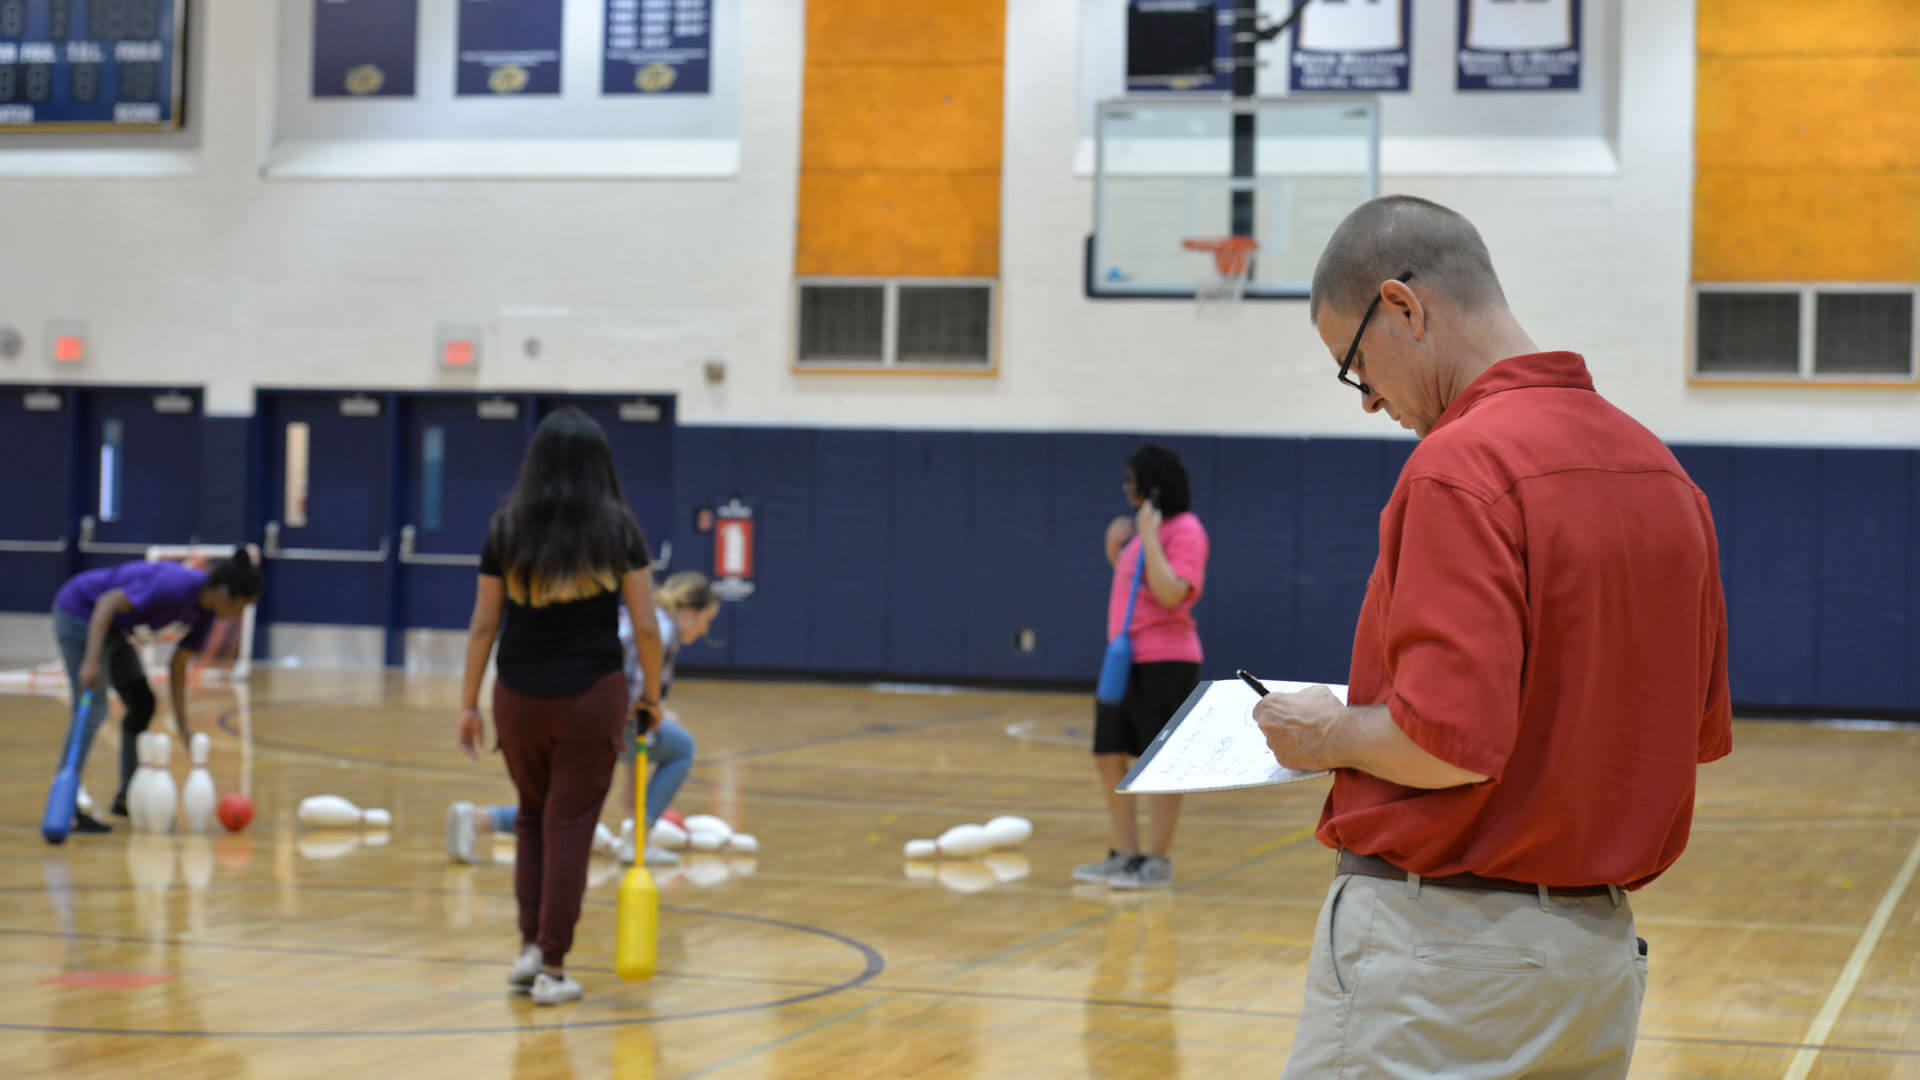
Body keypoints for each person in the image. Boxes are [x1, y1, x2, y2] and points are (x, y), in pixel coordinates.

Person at [1256, 194, 1731, 1078]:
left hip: (1442, 969)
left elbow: (1448, 743)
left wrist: (1325, 733)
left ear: (1403, 305)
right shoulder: (1664, 475)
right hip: (1594, 964)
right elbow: (1690, 738)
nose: (1367, 402)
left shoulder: (1459, 466)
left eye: (1355, 365)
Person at [455, 407, 664, 1007]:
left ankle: (529, 949)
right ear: (600, 465)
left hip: (517, 697)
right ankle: (552, 965)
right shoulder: (618, 529)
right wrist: (652, 695)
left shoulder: (506, 528)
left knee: (531, 817)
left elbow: (483, 624)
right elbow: (646, 626)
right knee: (569, 823)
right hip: (590, 697)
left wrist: (468, 704)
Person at [448, 571, 720, 869]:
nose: (704, 630)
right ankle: (639, 841)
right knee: (681, 748)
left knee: (567, 807)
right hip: (595, 713)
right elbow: (637, 702)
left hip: (561, 701)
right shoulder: (663, 631)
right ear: (690, 613)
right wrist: (641, 755)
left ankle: (476, 820)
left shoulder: (638, 616)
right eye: (706, 620)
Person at [1073, 445, 1209, 891]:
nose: (1125, 489)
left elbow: (1171, 594)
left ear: (1151, 488)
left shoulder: (1185, 530)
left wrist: (1148, 536)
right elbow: (1144, 585)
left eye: (1131, 481)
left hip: (1166, 661)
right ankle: (1128, 855)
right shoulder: (1146, 531)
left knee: (1161, 764)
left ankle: (1156, 861)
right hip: (1124, 659)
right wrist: (1118, 550)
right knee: (1108, 754)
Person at [50, 548, 264, 830]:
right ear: (225, 592)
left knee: (142, 702)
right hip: (80, 613)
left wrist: (184, 729)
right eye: (240, 606)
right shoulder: (174, 586)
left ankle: (127, 797)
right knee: (93, 710)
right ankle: (68, 805)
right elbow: (107, 602)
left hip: (113, 632)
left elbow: (178, 667)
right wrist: (90, 661)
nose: (237, 615)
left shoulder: (206, 614)